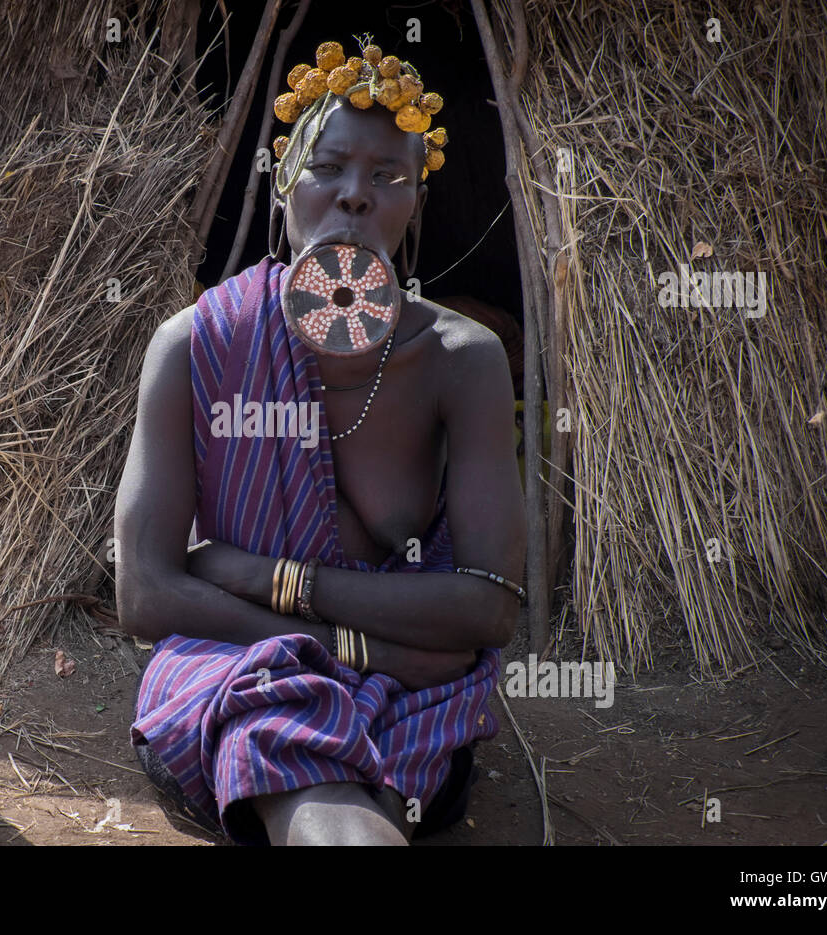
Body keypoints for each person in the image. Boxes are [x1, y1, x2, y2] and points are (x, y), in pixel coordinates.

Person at [114, 38, 525, 845]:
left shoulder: (461, 360)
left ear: (414, 203)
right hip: (240, 674)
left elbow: (488, 604)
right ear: (281, 186)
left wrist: (264, 577)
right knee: (295, 752)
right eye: (328, 168)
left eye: (387, 178)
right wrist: (354, 649)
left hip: (416, 702)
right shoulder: (195, 345)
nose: (355, 198)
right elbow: (146, 593)